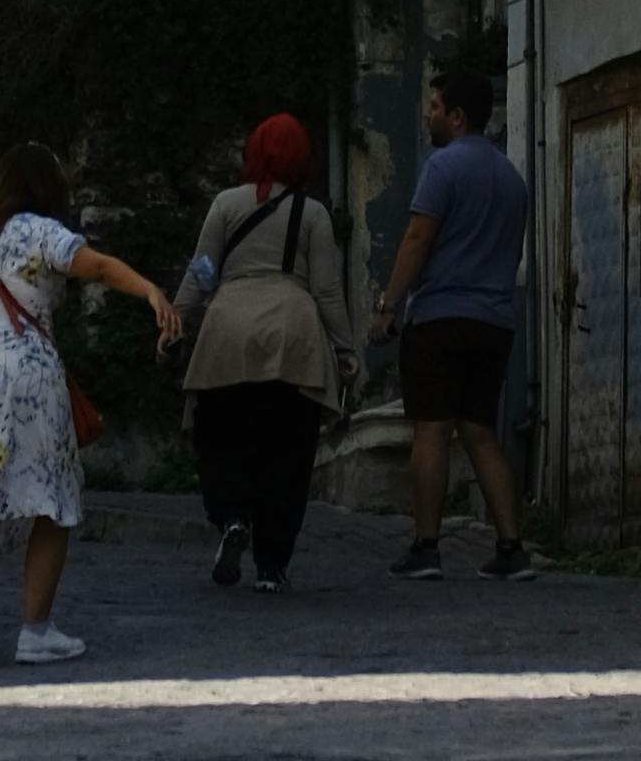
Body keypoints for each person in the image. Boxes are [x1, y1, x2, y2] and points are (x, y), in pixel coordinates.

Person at [0, 143, 173, 669]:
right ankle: (36, 631)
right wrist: (150, 292)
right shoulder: (40, 232)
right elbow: (95, 267)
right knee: (51, 501)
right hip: (29, 377)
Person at [165, 110, 359, 593]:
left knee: (223, 436)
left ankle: (232, 517)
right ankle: (272, 564)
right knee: (287, 453)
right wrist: (345, 347)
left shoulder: (226, 204)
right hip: (291, 335)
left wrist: (175, 319)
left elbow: (203, 272)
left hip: (227, 332)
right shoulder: (312, 213)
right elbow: (327, 291)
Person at [378, 55, 533, 576]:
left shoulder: (441, 168)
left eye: (436, 107)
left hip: (442, 317)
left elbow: (418, 238)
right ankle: (511, 547)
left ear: (458, 116)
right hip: (494, 321)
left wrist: (389, 305)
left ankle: (426, 545)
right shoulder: (512, 179)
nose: (428, 115)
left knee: (432, 430)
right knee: (481, 432)